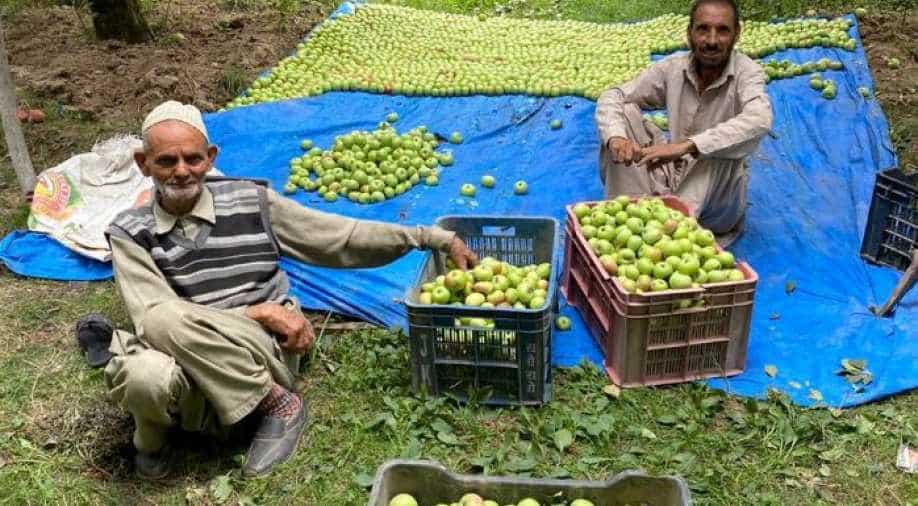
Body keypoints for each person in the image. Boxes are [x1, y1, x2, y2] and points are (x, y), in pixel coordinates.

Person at [101, 100, 478, 479]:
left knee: (165, 321)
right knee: (145, 367)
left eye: (193, 159)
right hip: (185, 353)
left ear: (211, 157)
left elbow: (340, 237)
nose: (182, 172)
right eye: (167, 161)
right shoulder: (130, 233)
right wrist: (256, 310)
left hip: (260, 349)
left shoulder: (252, 202)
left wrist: (428, 237)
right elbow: (153, 319)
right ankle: (163, 441)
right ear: (143, 163)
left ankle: (274, 405)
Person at [595, 0, 773, 245]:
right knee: (623, 113)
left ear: (736, 34)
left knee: (716, 152)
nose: (712, 40)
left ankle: (670, 234)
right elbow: (613, 95)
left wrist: (688, 146)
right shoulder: (673, 68)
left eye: (722, 30)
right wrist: (616, 136)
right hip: (673, 176)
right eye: (703, 29)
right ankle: (628, 221)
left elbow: (760, 119)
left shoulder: (748, 73)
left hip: (716, 201)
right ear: (689, 32)